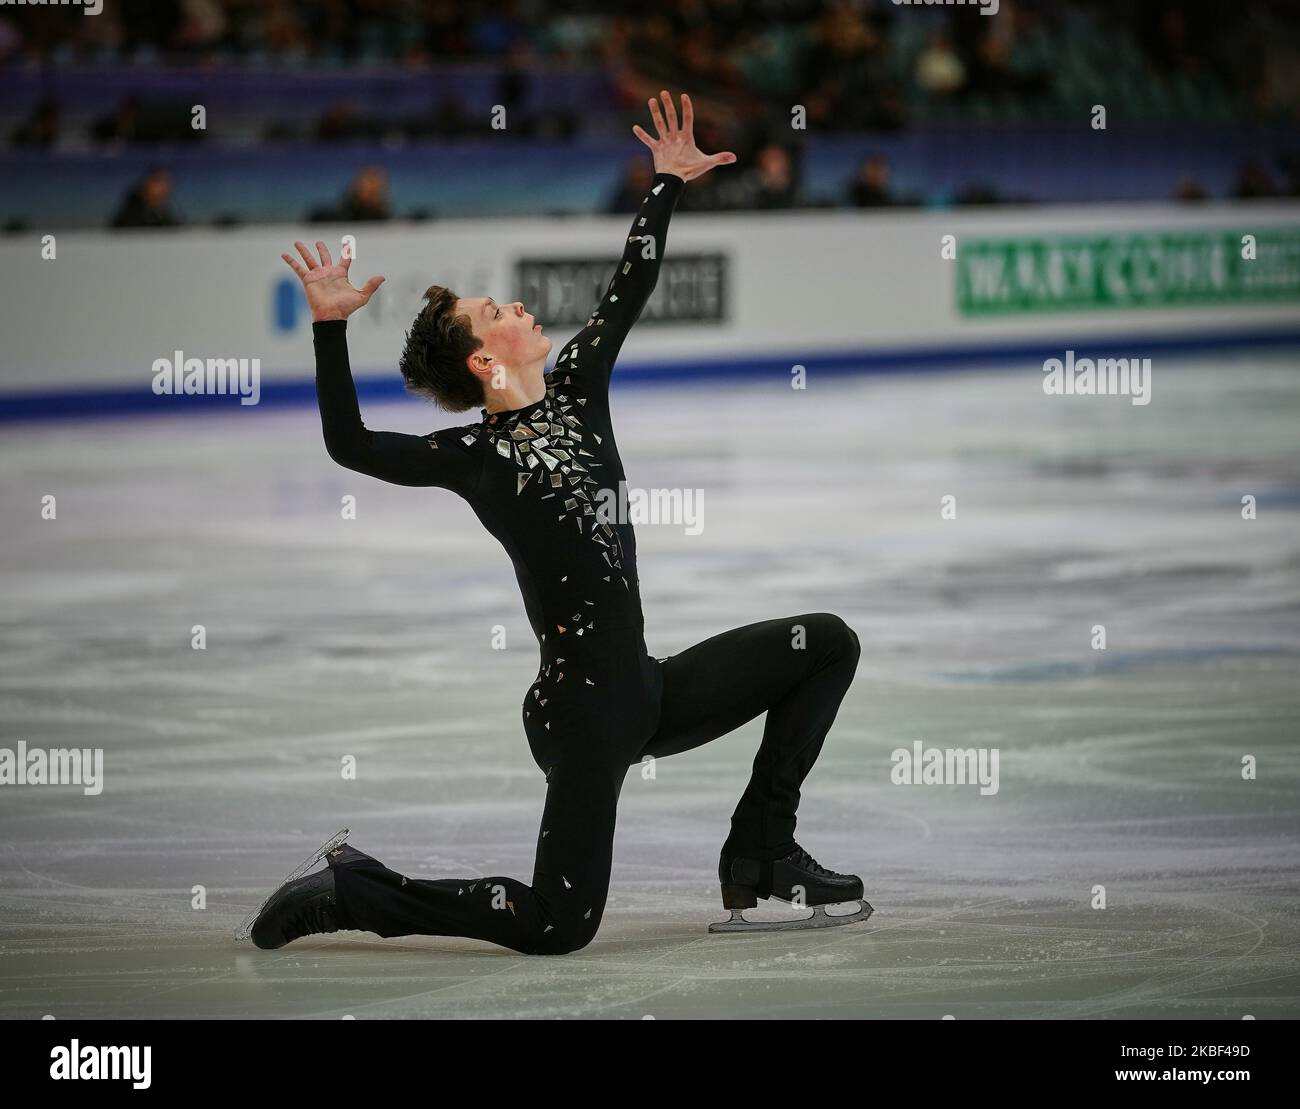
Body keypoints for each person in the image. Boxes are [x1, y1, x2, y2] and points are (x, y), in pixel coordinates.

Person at [250, 91, 869, 955]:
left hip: (643, 691)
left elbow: (630, 282)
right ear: (481, 358)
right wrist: (327, 328)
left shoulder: (578, 387)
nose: (519, 310)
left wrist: (666, 186)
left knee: (826, 642)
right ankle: (360, 888)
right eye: (497, 313)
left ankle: (762, 848)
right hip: (580, 713)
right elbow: (348, 442)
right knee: (558, 925)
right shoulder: (473, 456)